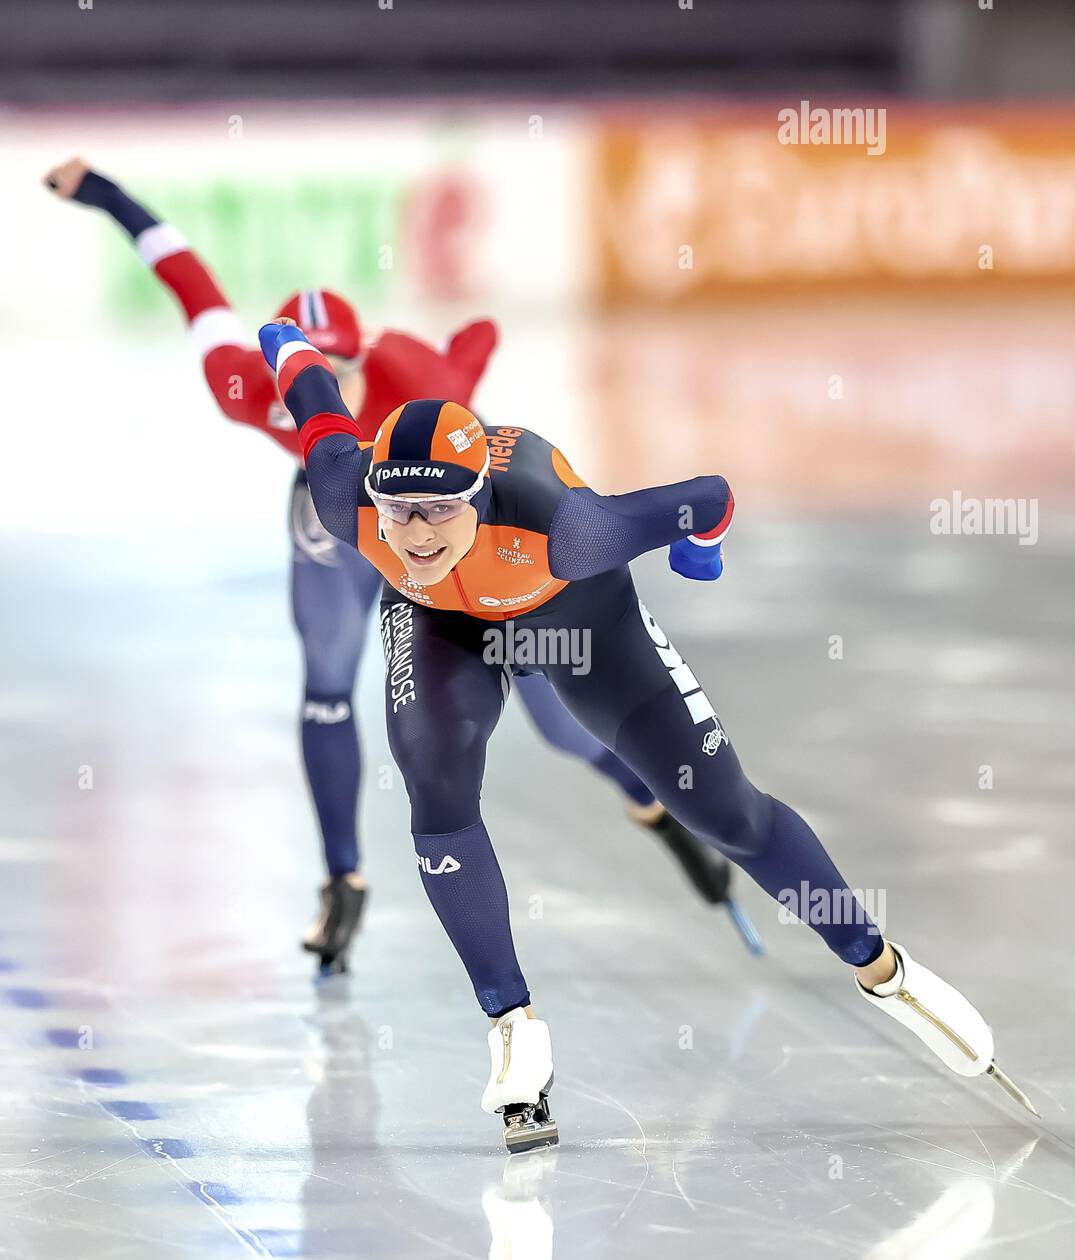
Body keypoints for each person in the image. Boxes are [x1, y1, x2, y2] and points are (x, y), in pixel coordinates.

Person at [258, 316, 1038, 1151]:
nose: (412, 534)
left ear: (478, 499)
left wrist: (700, 555)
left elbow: (708, 497)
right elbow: (311, 394)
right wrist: (286, 341)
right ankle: (513, 1023)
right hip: (442, 623)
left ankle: (882, 968)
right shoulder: (346, 493)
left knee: (723, 811)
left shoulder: (571, 529)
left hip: (578, 615)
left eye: (438, 510)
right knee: (434, 780)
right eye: (397, 509)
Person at [43, 157, 747, 975]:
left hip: (441, 533)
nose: (334, 392)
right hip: (340, 511)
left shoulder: (412, 370)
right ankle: (342, 877)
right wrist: (105, 195)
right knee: (325, 684)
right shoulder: (245, 384)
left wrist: (472, 358)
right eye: (319, 378)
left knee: (556, 716)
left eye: (346, 375)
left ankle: (647, 803)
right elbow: (190, 283)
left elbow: (486, 461)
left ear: (364, 358)